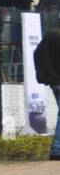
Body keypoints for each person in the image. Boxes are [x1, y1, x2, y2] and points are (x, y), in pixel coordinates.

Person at [32, 24, 60, 160]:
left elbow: (36, 54)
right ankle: (57, 150)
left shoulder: (50, 34)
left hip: (53, 81)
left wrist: (45, 74)